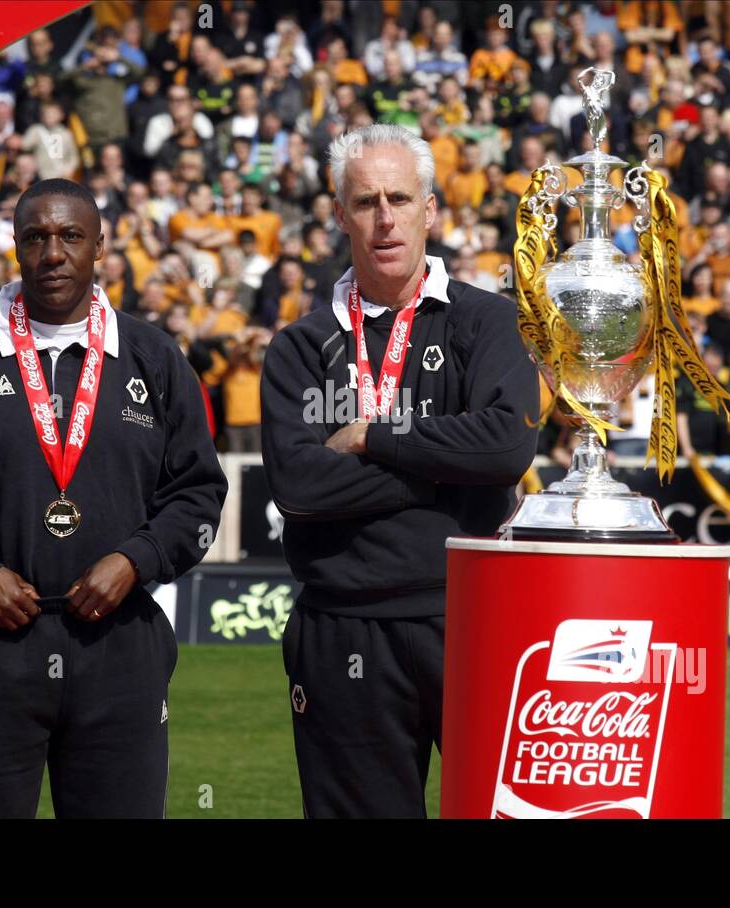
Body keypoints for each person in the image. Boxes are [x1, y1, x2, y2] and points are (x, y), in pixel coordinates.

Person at [0, 179, 227, 818]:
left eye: (70, 236)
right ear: (15, 248)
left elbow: (197, 495)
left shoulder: (153, 358)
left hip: (119, 646)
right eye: (36, 237)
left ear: (100, 249)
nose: (52, 252)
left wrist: (137, 559)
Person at [260, 124, 538, 818]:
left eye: (400, 198)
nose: (385, 218)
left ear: (431, 210)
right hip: (343, 627)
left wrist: (372, 438)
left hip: (474, 622)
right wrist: (448, 464)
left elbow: (507, 448)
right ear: (339, 214)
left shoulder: (489, 322)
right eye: (365, 201)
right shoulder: (299, 346)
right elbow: (297, 486)